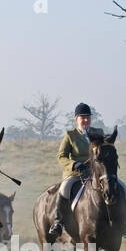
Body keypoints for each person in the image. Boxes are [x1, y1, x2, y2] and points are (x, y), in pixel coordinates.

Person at [49, 103, 96, 242]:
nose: (86, 120)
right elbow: (61, 156)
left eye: (88, 117)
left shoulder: (97, 133)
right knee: (64, 188)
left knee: (121, 187)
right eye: (83, 118)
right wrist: (75, 164)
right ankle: (58, 222)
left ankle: (121, 224)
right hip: (76, 174)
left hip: (95, 173)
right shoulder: (70, 135)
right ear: (76, 119)